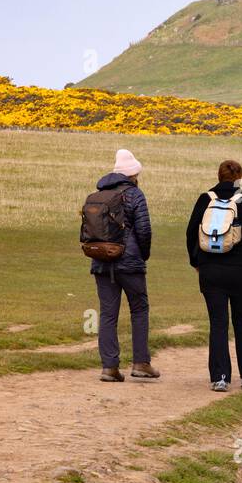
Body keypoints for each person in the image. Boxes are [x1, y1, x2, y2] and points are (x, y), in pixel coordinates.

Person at [186, 159, 242, 392]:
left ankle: (220, 377)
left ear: (218, 176)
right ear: (240, 177)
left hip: (210, 271)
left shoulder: (205, 198)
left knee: (218, 323)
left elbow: (190, 232)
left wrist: (196, 262)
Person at [87, 149, 159, 382]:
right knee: (139, 310)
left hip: (101, 260)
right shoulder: (135, 195)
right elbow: (144, 230)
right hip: (130, 263)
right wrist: (143, 256)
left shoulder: (100, 194)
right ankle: (141, 362)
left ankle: (109, 367)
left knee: (108, 313)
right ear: (133, 174)